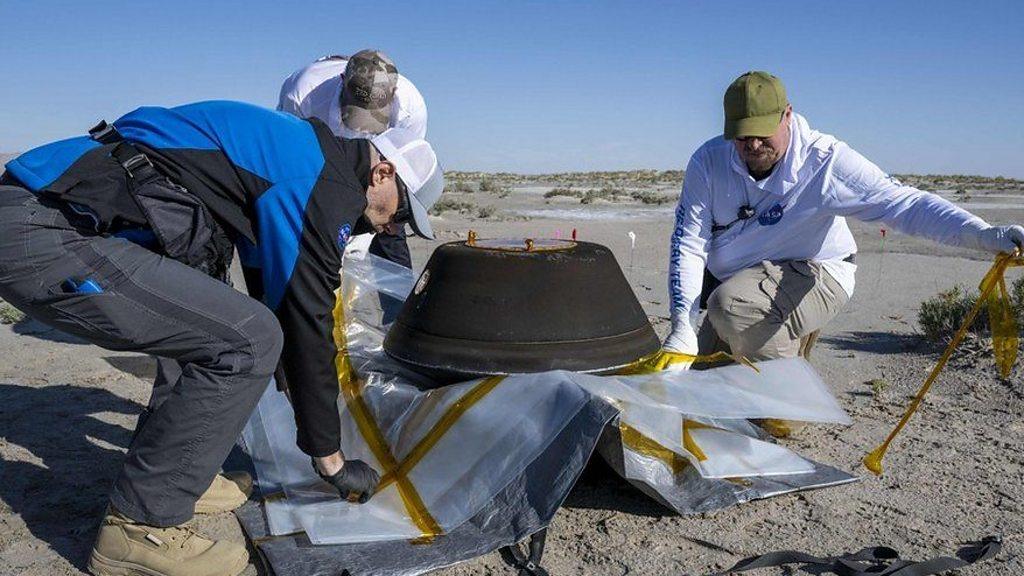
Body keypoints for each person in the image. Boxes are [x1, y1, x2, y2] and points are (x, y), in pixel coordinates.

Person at [0, 100, 443, 576]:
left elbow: (275, 296)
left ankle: (180, 472)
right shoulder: (322, 182)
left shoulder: (305, 155)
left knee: (221, 321)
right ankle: (138, 527)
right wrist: (329, 459)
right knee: (246, 341)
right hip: (45, 228)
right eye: (401, 214)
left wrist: (293, 385)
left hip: (53, 216)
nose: (394, 228)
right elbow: (305, 317)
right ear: (381, 173)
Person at [665, 71, 1024, 368]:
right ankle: (775, 341)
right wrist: (682, 324)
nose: (753, 145)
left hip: (816, 271)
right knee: (704, 375)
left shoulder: (826, 162)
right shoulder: (708, 162)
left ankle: (789, 407)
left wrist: (985, 235)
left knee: (730, 309)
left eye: (762, 131)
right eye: (742, 134)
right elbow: (690, 242)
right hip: (743, 280)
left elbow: (907, 205)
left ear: (787, 115)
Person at [278, 49, 427, 269]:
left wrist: (365, 233)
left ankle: (400, 303)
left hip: (376, 179)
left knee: (391, 241)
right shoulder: (303, 93)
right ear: (341, 82)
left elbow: (404, 177)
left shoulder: (411, 107)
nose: (360, 127)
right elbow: (291, 161)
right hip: (320, 169)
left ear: (394, 94)